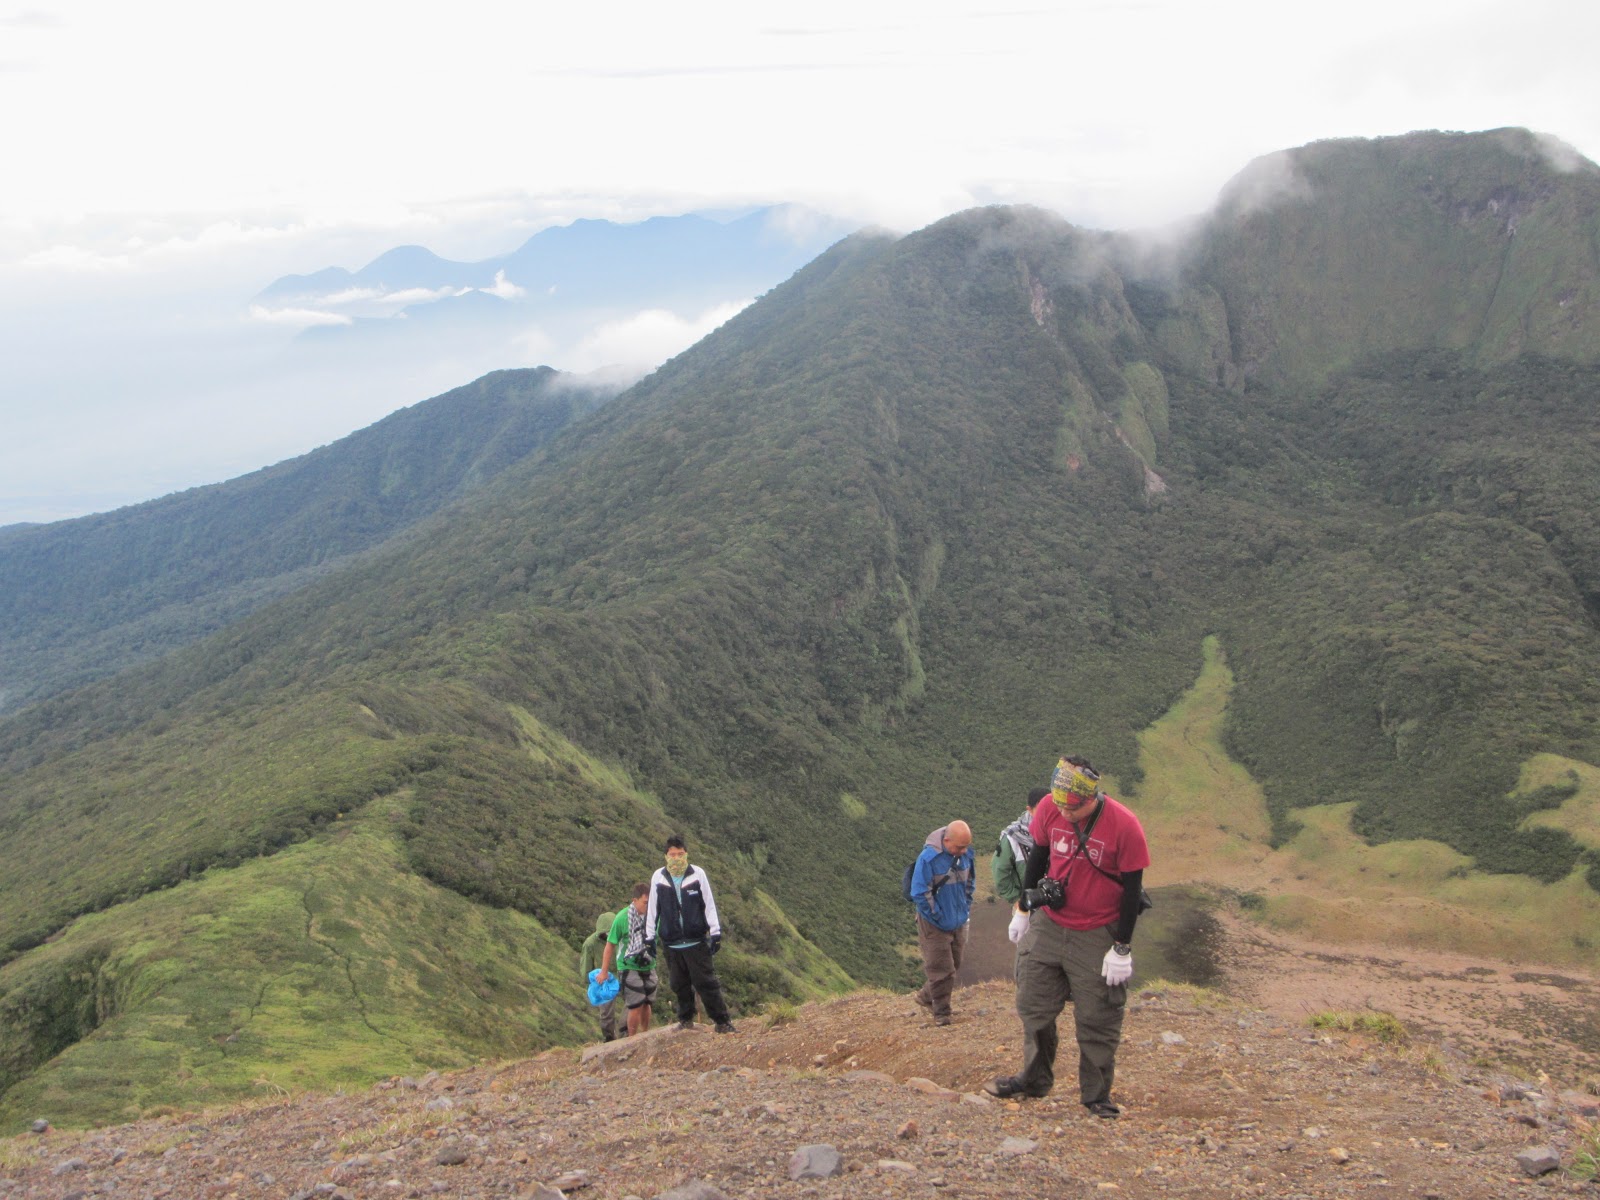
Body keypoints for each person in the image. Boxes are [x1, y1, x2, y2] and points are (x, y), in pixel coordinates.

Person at [986, 755, 1150, 1118]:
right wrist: (1024, 910)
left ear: (1091, 797)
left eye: (1073, 808)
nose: (1066, 814)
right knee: (1033, 1004)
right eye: (1060, 806)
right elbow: (1039, 857)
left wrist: (1121, 947)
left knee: (1098, 1017)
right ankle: (1034, 1079)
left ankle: (1096, 1096)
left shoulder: (1124, 825)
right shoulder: (1050, 808)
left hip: (1097, 929)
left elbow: (1132, 889)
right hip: (1050, 922)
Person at [646, 835, 735, 1033]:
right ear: (666, 856)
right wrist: (649, 937)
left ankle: (722, 1022)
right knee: (679, 984)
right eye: (672, 854)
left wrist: (715, 931)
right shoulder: (658, 877)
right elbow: (653, 908)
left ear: (686, 854)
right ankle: (685, 1020)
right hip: (671, 942)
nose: (676, 858)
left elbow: (708, 903)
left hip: (695, 940)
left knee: (706, 982)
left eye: (680, 854)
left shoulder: (697, 874)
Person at [909, 819, 975, 1027]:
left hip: (957, 919)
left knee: (954, 963)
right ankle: (941, 1013)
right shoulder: (929, 858)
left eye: (966, 846)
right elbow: (919, 892)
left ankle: (926, 995)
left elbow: (970, 882)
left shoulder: (965, 854)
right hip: (934, 923)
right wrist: (937, 915)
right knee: (941, 969)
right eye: (959, 847)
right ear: (946, 841)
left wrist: (965, 907)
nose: (964, 851)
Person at [596, 883, 658, 1037]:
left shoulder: (654, 916)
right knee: (635, 1003)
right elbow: (610, 945)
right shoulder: (622, 918)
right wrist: (604, 972)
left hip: (648, 963)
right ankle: (632, 1038)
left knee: (647, 1002)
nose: (648, 906)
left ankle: (645, 1034)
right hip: (627, 964)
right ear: (634, 900)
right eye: (645, 903)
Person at [993, 787, 1050, 948]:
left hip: (1057, 909)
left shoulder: (1059, 831)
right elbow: (1000, 872)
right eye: (1041, 808)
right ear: (1029, 810)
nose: (1047, 813)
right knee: (1029, 953)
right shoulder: (1012, 837)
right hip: (1028, 907)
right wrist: (1016, 899)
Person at [579, 909, 620, 1041]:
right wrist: (594, 983)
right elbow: (586, 968)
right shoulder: (590, 944)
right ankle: (609, 1038)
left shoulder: (620, 938)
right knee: (606, 1012)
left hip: (622, 974)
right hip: (604, 980)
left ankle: (628, 1033)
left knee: (634, 1001)